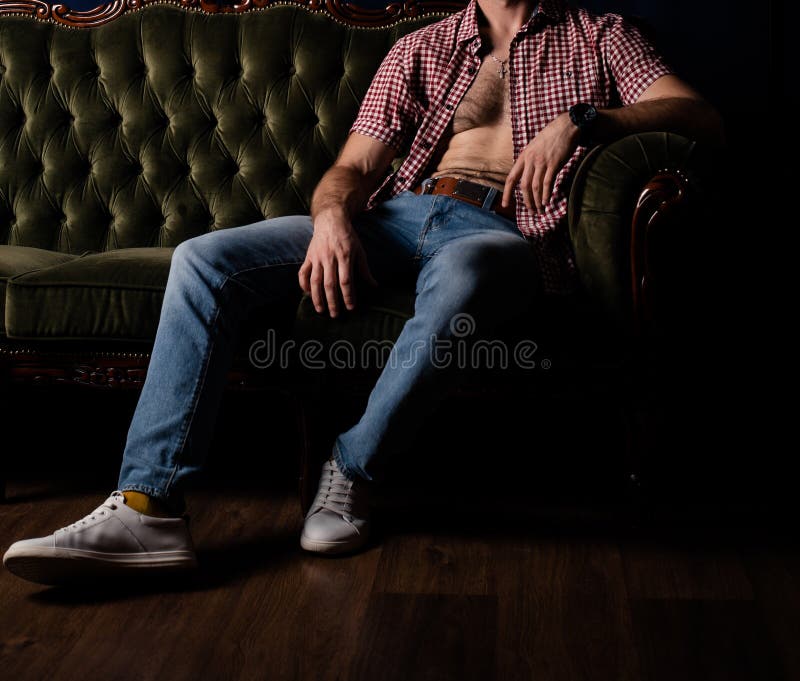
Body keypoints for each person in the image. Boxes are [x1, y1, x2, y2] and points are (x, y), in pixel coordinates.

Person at [3, 0, 722, 585]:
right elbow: (350, 166)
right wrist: (331, 219)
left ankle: (349, 468)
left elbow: (697, 115)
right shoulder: (424, 47)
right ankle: (147, 504)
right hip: (396, 214)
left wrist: (585, 121)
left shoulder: (599, 36)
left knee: (468, 279)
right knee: (201, 260)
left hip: (504, 231)